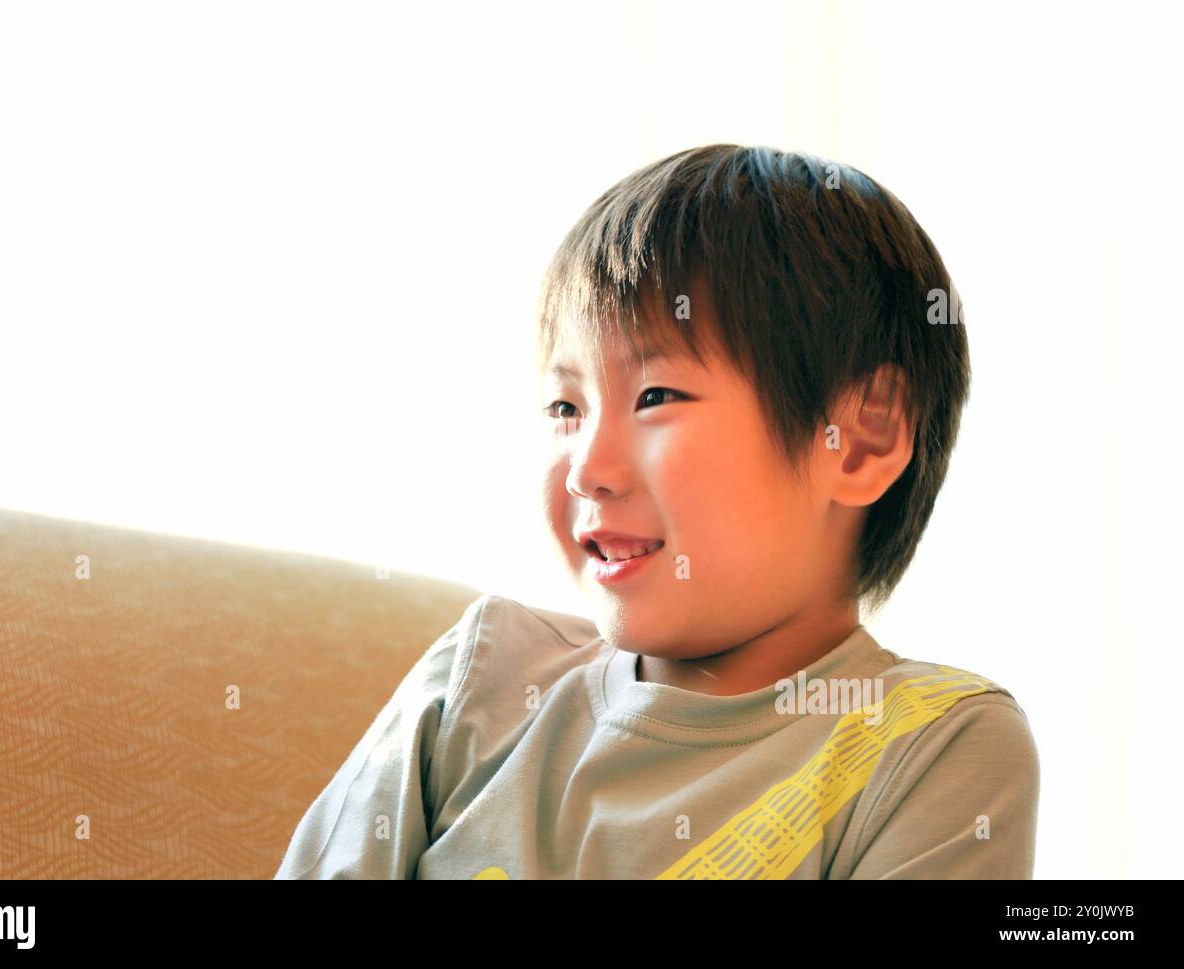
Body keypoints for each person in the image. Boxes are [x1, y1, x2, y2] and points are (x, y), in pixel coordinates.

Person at [275, 145, 1040, 879]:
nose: (586, 470)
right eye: (564, 406)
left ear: (861, 438)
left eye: (656, 397)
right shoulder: (484, 674)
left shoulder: (933, 743)